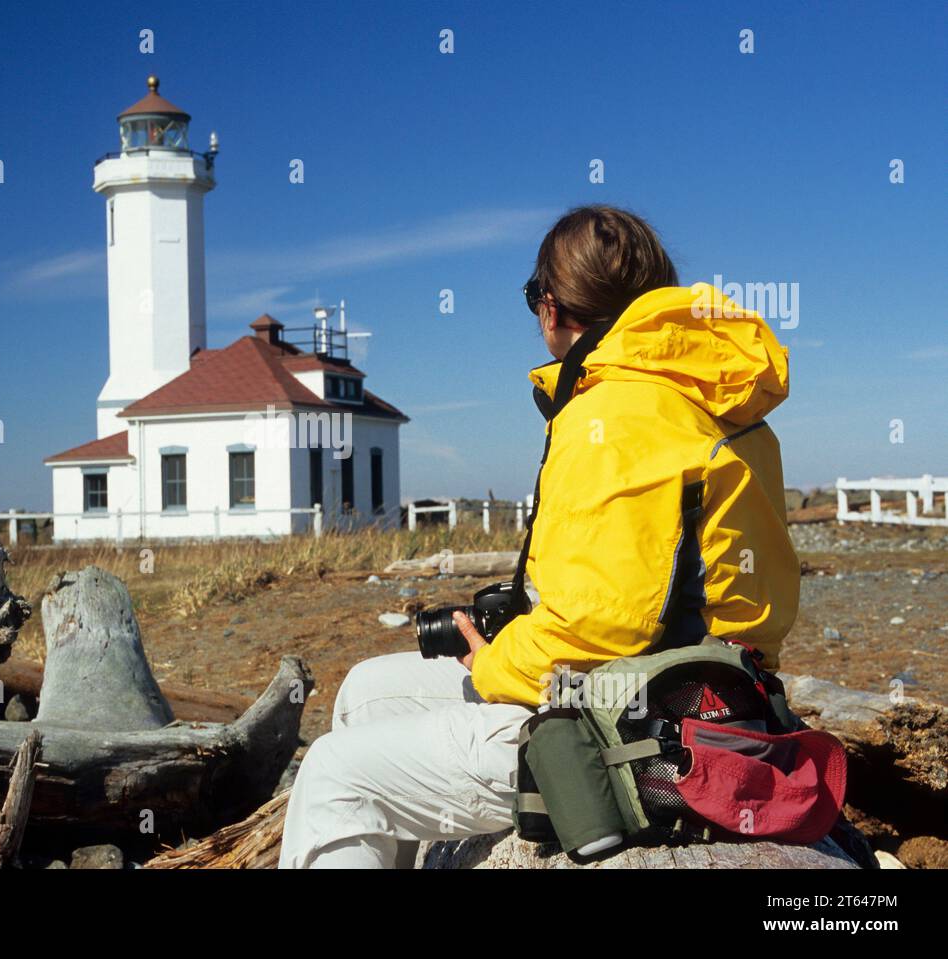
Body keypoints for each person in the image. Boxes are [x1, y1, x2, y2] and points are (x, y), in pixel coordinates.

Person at [278, 205, 800, 868]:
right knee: (363, 689)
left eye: (535, 297)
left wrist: (493, 662)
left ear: (553, 309)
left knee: (333, 774)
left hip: (633, 730)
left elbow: (597, 629)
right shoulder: (718, 402)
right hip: (709, 697)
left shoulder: (612, 412)